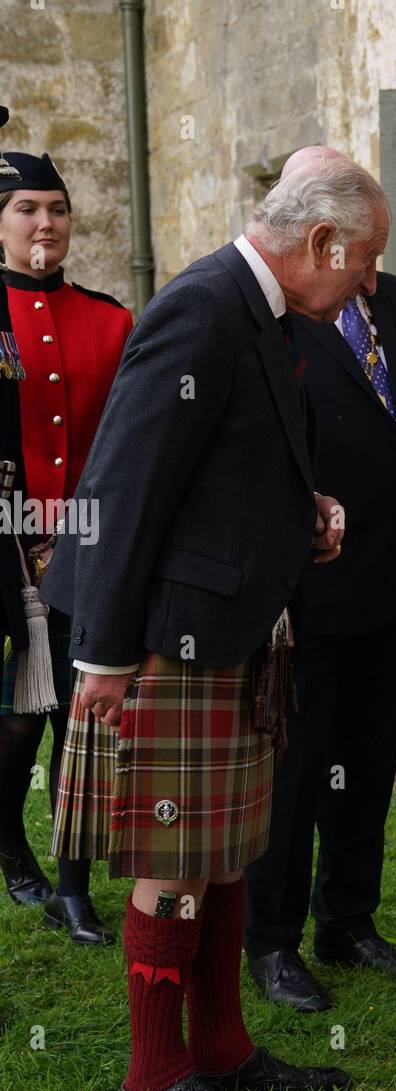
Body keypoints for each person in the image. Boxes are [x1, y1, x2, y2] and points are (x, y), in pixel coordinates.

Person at [37, 158, 393, 1091]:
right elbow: (121, 486)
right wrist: (103, 652)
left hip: (230, 626)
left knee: (227, 854)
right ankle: (157, 1073)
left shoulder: (265, 313)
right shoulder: (203, 308)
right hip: (167, 639)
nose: (367, 281)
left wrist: (304, 512)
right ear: (320, 244)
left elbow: (230, 467)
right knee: (175, 860)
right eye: (363, 261)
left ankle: (224, 1047)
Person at [244, 148, 396, 1011]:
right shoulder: (274, 314)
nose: (369, 263)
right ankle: (272, 939)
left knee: (366, 761)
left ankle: (349, 918)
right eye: (359, 245)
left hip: (389, 576)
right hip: (309, 583)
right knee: (295, 769)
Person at [0, 143, 130, 944]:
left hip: (95, 553)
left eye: (57, 209)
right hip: (7, 556)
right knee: (18, 719)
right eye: (25, 210)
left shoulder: (110, 318)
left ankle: (73, 881)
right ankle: (14, 850)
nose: (45, 223)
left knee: (85, 718)